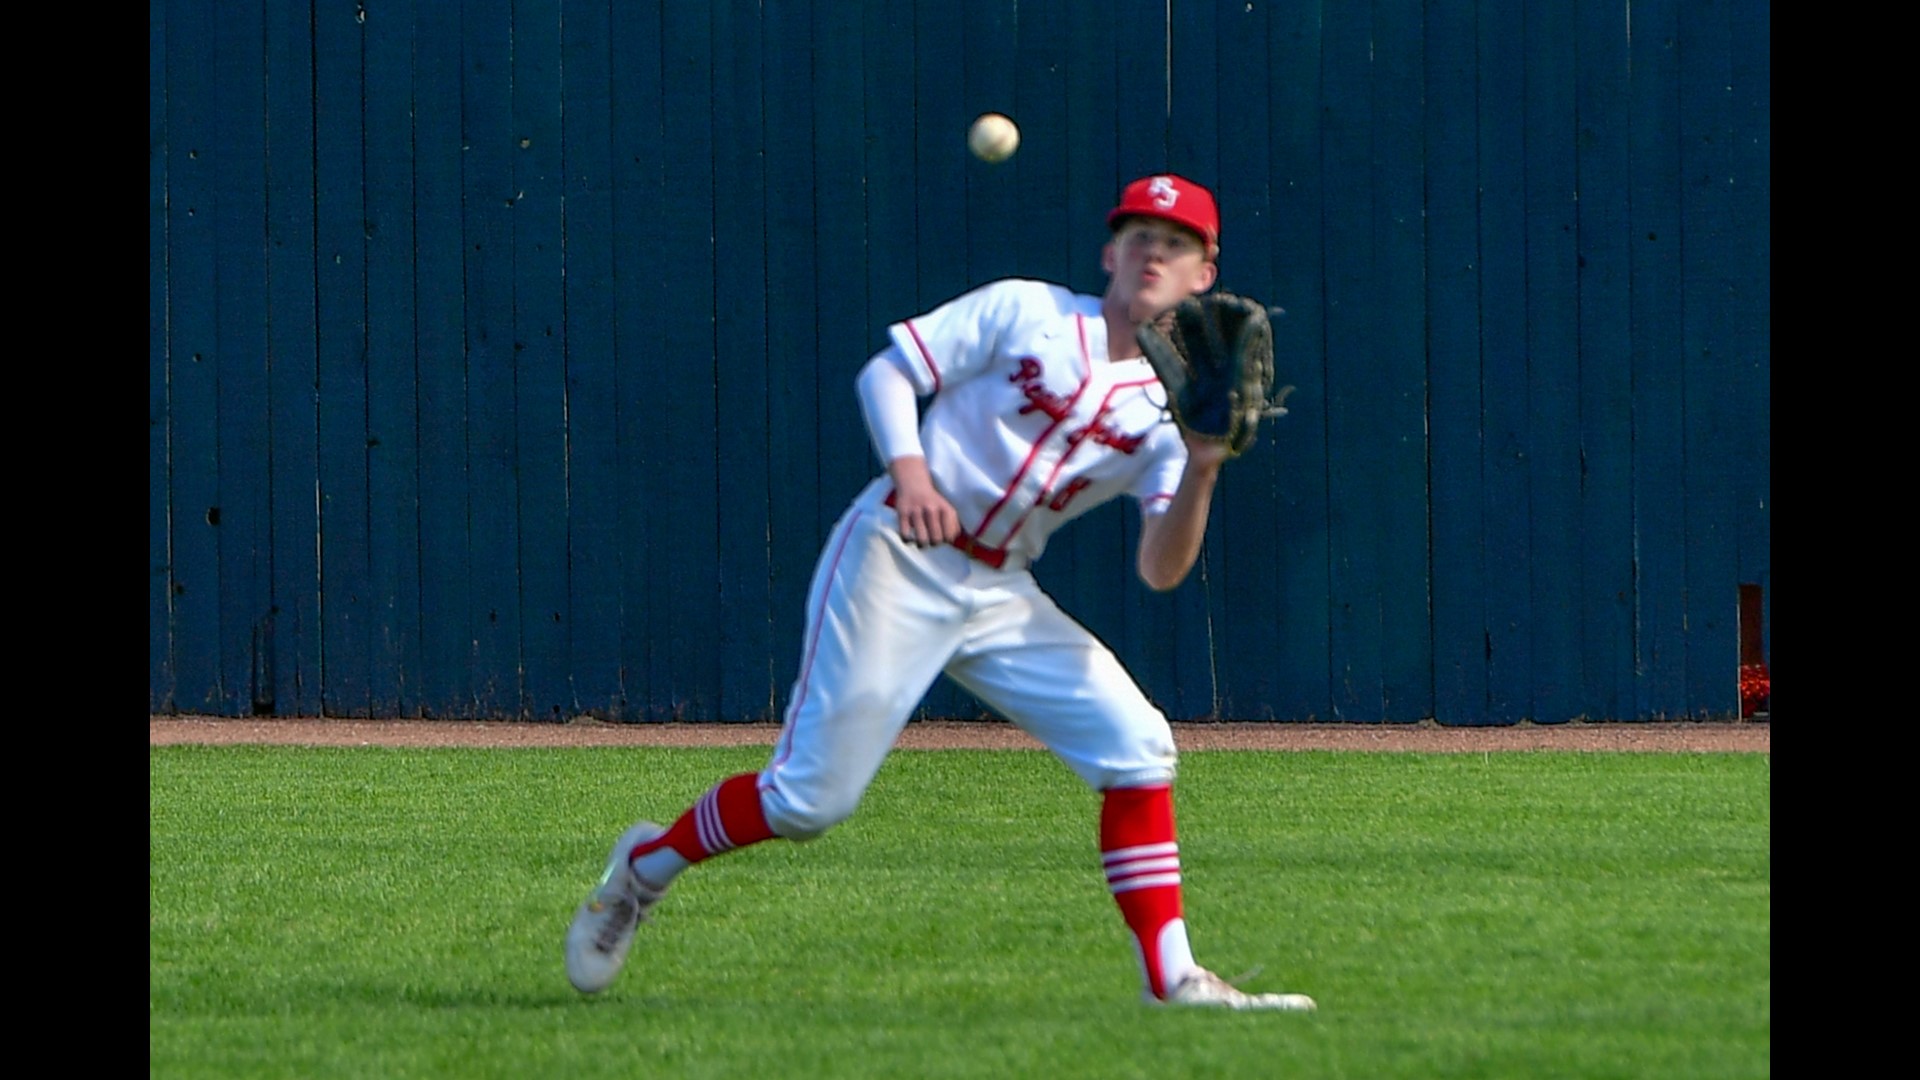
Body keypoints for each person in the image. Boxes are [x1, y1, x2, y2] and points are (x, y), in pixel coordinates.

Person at [565, 174, 1316, 1012]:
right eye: (1139, 235)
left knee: (1137, 746)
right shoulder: (1027, 310)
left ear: (1203, 273)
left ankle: (1171, 978)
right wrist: (910, 471)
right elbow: (889, 375)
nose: (1153, 253)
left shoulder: (1174, 415)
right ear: (1110, 252)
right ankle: (644, 869)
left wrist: (1205, 470)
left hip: (998, 587)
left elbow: (1160, 568)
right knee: (810, 801)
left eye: (1174, 244)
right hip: (897, 550)